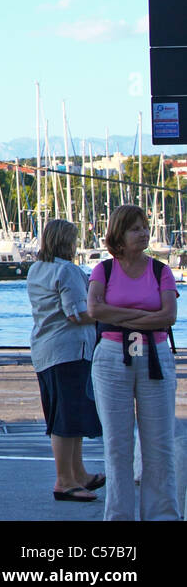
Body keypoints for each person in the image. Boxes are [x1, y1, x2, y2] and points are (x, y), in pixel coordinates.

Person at [87, 204, 179, 520]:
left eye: (144, 226)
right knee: (117, 446)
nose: (143, 233)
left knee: (159, 445)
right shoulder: (104, 270)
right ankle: (119, 517)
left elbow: (168, 317)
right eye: (135, 228)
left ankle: (163, 515)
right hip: (112, 358)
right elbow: (95, 310)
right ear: (119, 235)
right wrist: (143, 317)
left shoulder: (161, 271)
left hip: (156, 356)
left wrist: (124, 318)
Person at [27, 219, 103, 504]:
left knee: (66, 414)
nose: (76, 245)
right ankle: (65, 481)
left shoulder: (36, 269)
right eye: (74, 240)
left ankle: (78, 473)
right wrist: (110, 313)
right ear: (66, 242)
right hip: (69, 351)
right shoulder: (67, 270)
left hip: (45, 349)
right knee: (66, 418)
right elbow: (77, 314)